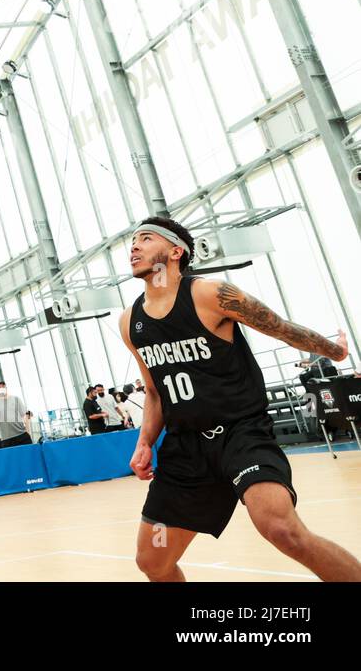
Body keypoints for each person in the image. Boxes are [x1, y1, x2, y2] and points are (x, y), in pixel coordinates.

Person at [120, 216, 361, 582]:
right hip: (186, 451)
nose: (134, 246)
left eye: (146, 239)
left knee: (281, 530)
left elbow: (281, 327)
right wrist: (144, 443)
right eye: (133, 240)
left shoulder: (209, 294)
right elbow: (154, 391)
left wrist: (334, 352)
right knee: (152, 561)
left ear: (175, 251)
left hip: (241, 434)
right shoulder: (129, 321)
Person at [0, 381, 32, 448]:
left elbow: (25, 416)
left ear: (6, 388)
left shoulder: (16, 399)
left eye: (3, 386)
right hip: (6, 439)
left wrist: (28, 432)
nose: (1, 388)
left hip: (22, 435)